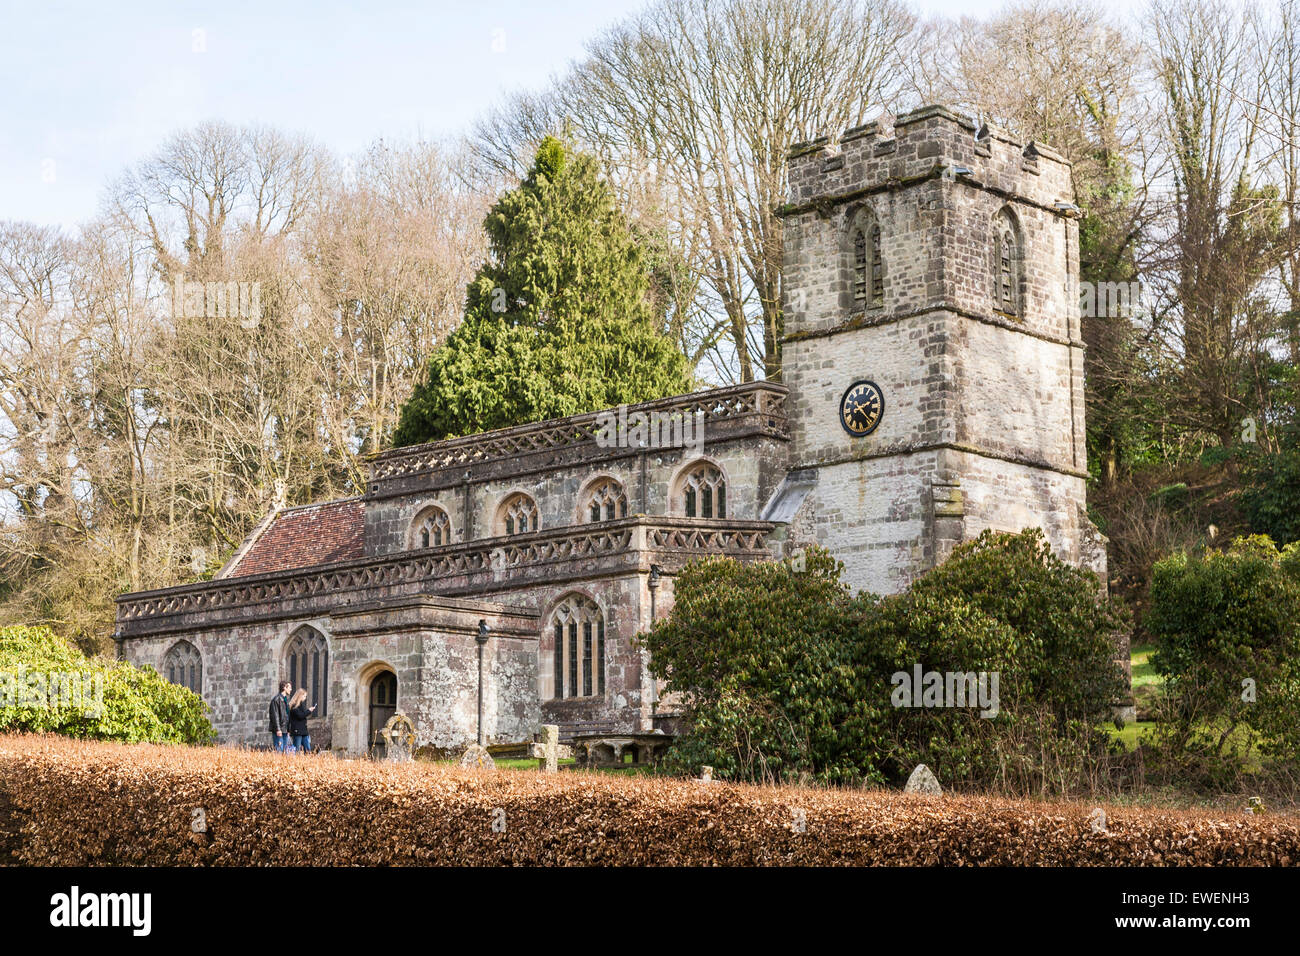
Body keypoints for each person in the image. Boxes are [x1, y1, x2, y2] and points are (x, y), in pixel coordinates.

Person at [288, 687, 316, 754]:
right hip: (297, 731)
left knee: (308, 750)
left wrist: (308, 710)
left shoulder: (301, 705)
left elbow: (302, 714)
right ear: (300, 695)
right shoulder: (294, 705)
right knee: (297, 750)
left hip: (304, 731)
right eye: (304, 696)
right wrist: (309, 711)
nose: (305, 698)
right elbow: (300, 716)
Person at [268, 680, 291, 752]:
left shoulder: (285, 700)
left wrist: (288, 729)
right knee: (279, 750)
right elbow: (275, 716)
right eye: (289, 687)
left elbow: (287, 716)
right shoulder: (276, 700)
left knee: (285, 751)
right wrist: (278, 729)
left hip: (285, 729)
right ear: (284, 688)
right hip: (279, 730)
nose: (291, 689)